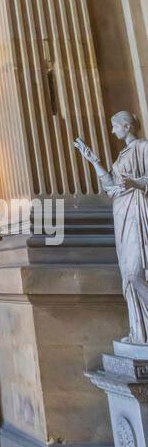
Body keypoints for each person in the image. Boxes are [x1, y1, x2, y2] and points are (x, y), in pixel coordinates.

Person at [76, 112, 148, 344]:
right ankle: (140, 332)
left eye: (114, 127)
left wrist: (134, 182)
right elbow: (111, 188)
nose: (112, 131)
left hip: (138, 211)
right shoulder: (122, 155)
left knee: (137, 272)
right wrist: (94, 161)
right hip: (122, 213)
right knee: (127, 274)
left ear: (126, 126)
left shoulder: (142, 147)